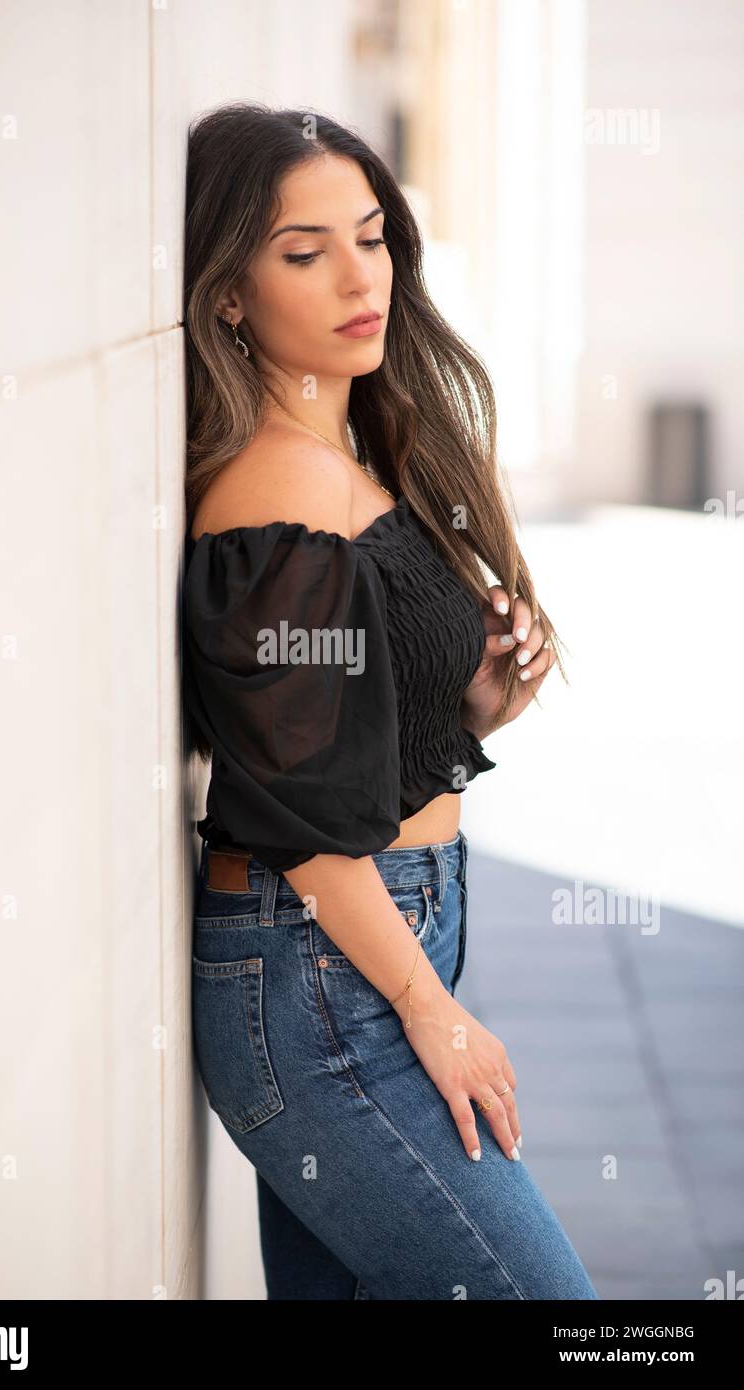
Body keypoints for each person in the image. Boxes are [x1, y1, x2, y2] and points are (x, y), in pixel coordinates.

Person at [181, 101, 598, 1300]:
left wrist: (470, 706)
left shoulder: (347, 459)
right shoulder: (277, 497)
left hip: (364, 945)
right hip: (330, 980)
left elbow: (330, 738)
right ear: (226, 293)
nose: (359, 277)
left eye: (370, 237)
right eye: (304, 253)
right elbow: (297, 819)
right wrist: (431, 1010)